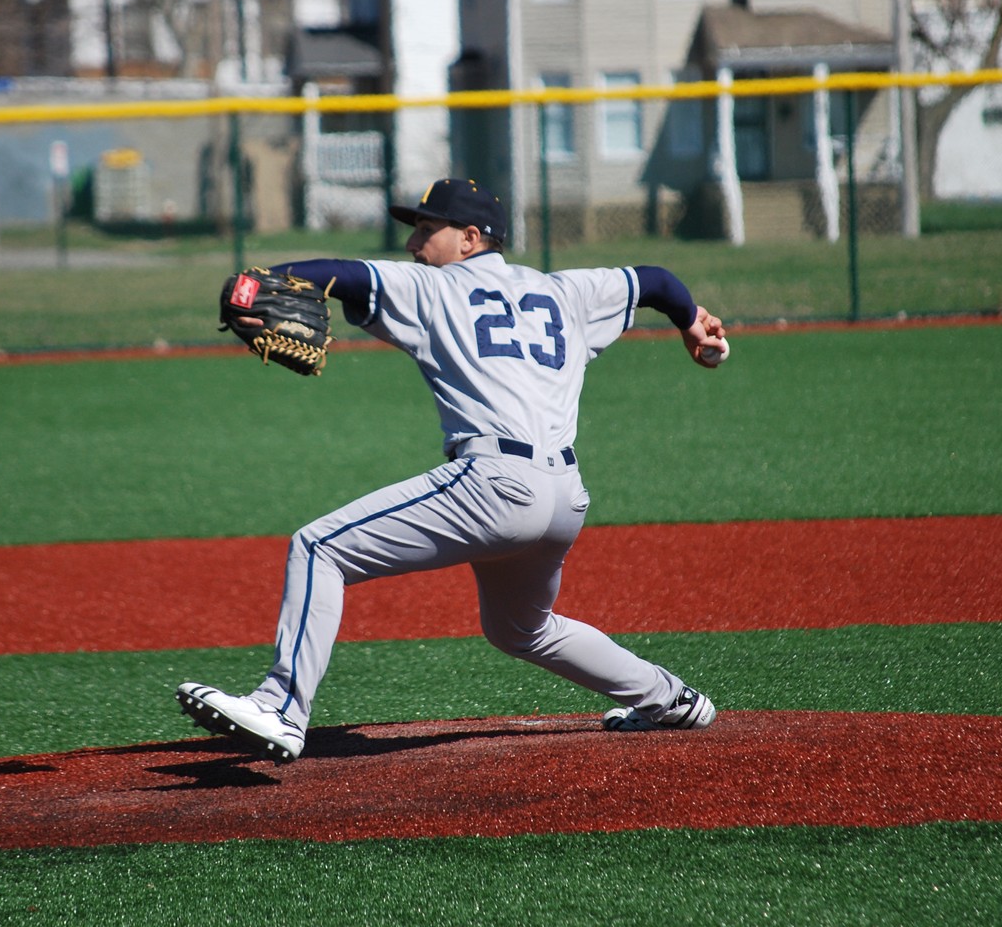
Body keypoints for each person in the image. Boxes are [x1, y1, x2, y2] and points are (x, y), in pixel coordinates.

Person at [178, 178, 728, 763]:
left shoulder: (431, 287)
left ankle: (280, 709)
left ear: (469, 238)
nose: (414, 244)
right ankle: (671, 699)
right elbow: (656, 281)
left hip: (495, 486)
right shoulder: (566, 291)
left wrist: (253, 280)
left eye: (424, 229)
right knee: (522, 629)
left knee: (319, 549)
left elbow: (344, 272)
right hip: (566, 496)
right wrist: (690, 319)